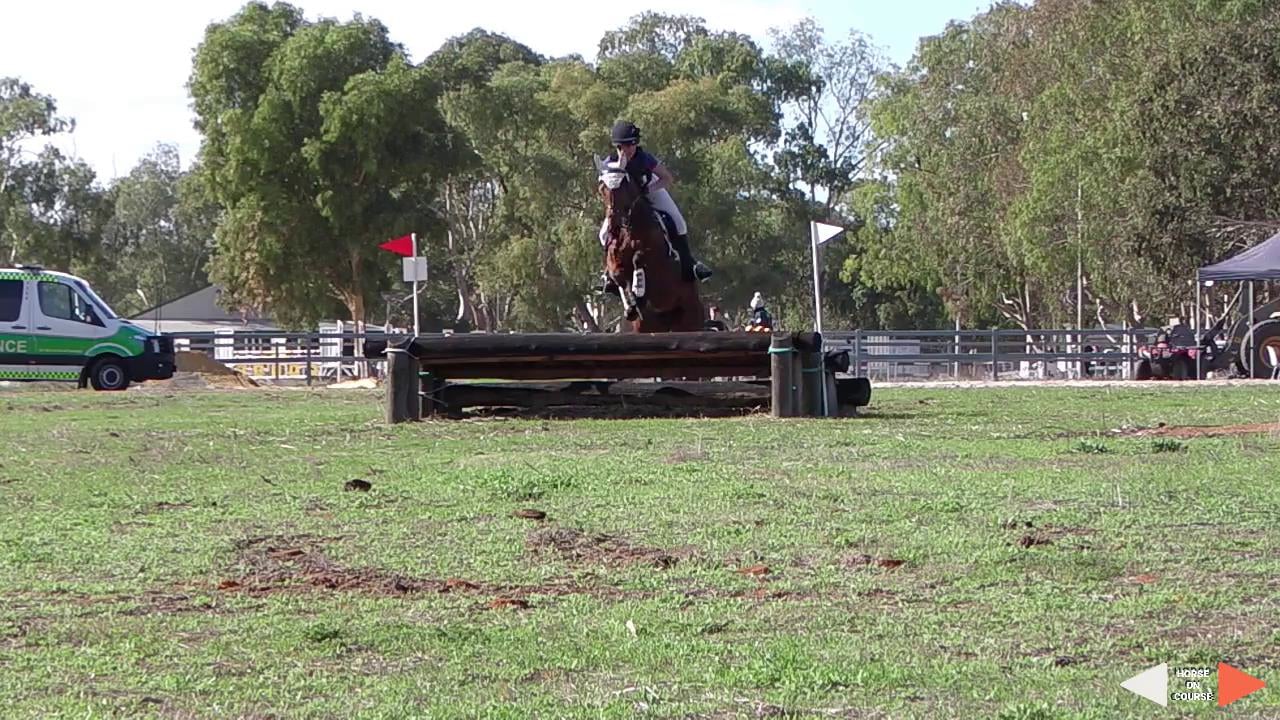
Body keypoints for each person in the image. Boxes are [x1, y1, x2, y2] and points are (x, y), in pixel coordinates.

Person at [596, 121, 712, 292]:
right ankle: (608, 274)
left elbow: (667, 178)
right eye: (621, 146)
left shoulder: (645, 159)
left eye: (629, 145)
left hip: (650, 190)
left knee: (679, 223)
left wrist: (648, 189)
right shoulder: (610, 162)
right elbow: (603, 186)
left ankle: (690, 265)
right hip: (625, 200)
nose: (625, 150)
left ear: (636, 143)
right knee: (604, 233)